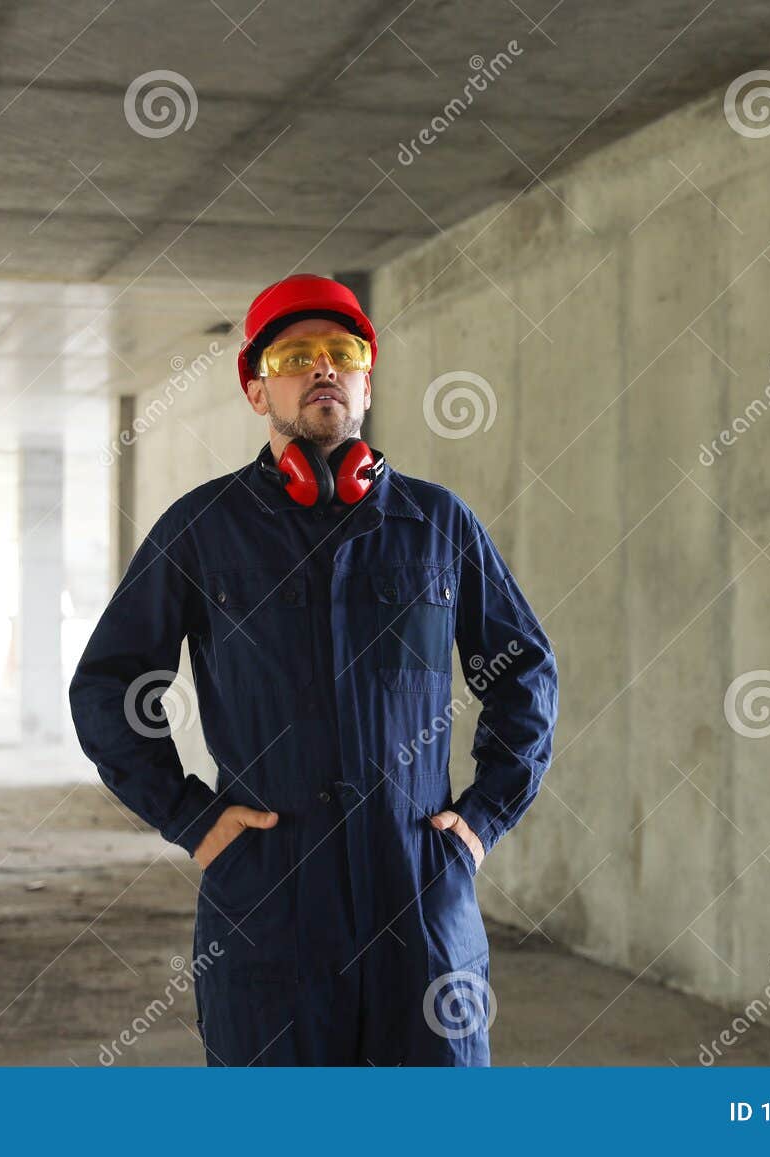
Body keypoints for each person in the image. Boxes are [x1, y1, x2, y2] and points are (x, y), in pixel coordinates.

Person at [69, 273, 558, 1066]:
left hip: (419, 911)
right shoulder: (204, 530)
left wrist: (484, 818)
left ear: (367, 377)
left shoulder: (436, 525)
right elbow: (108, 686)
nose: (324, 368)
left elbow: (523, 671)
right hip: (269, 918)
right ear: (257, 387)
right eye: (297, 354)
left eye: (344, 352)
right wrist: (194, 820)